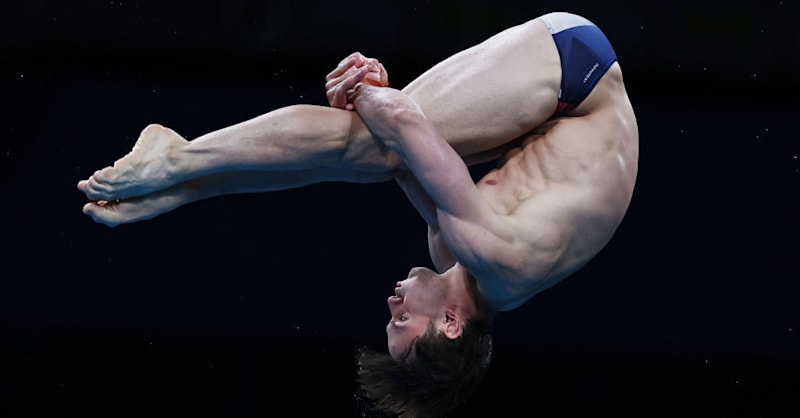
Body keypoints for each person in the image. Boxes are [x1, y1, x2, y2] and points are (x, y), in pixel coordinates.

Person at [77, 12, 638, 417]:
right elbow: (403, 125)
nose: (391, 305)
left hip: (554, 106)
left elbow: (403, 159)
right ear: (449, 325)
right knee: (372, 145)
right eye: (401, 321)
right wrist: (366, 91)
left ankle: (188, 184)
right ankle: (178, 160)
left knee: (371, 159)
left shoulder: (453, 255)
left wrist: (374, 94)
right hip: (577, 70)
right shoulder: (495, 256)